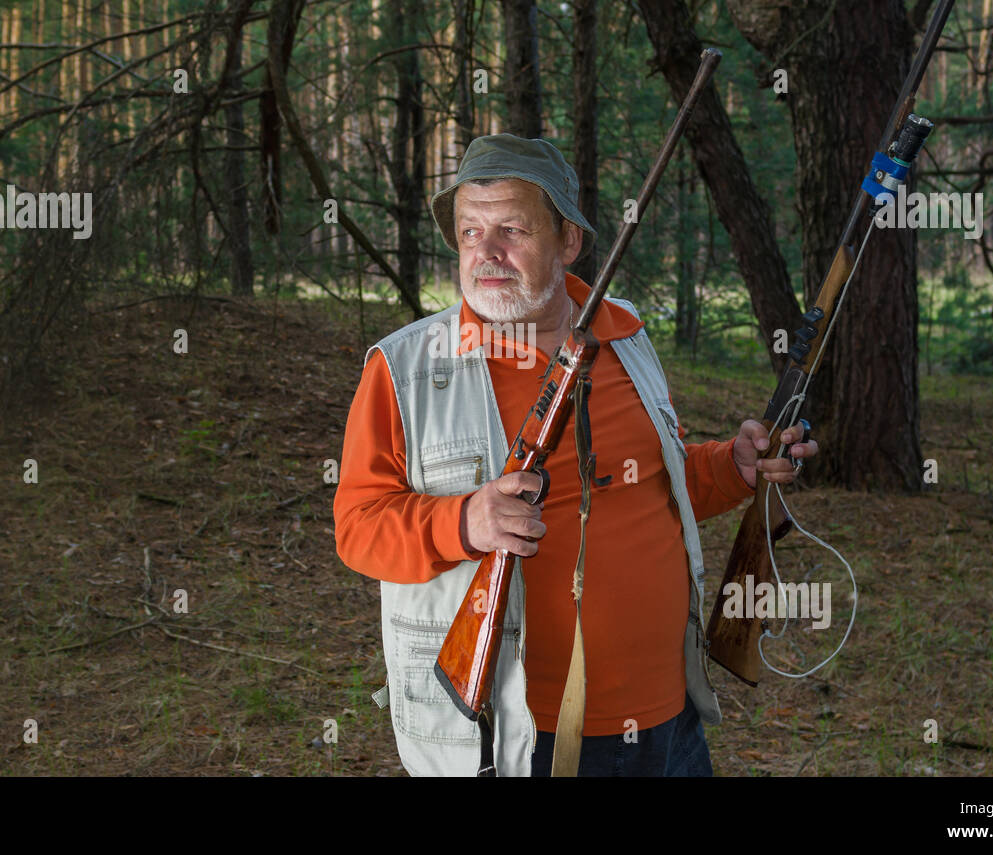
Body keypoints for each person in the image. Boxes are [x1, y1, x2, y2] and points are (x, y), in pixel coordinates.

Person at [334, 134, 817, 776]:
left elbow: (655, 486)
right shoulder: (407, 369)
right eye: (471, 231)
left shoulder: (626, 337)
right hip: (519, 739)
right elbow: (358, 528)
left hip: (668, 718)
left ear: (569, 242)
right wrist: (464, 523)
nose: (488, 253)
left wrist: (734, 467)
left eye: (512, 228)